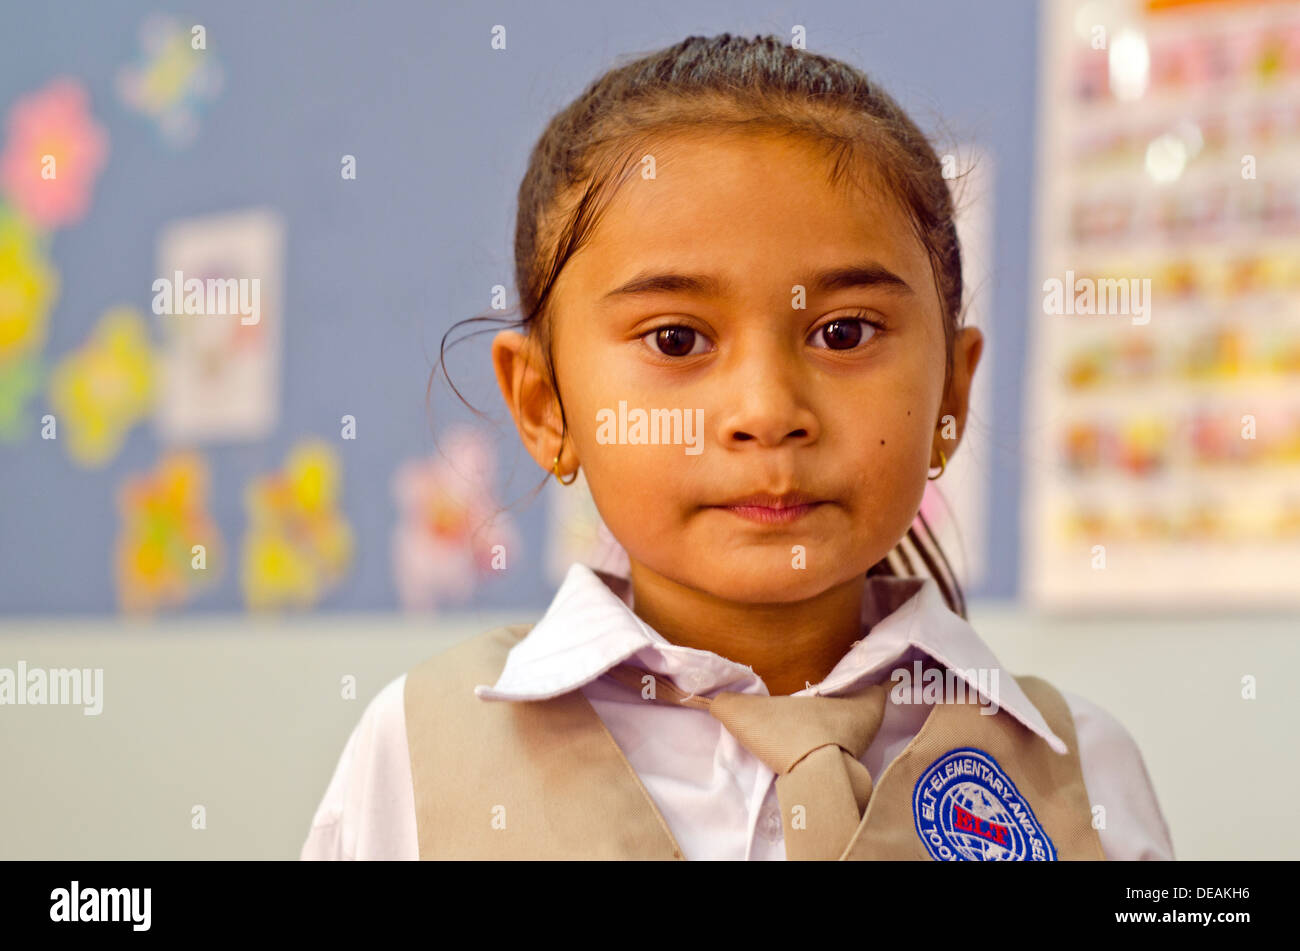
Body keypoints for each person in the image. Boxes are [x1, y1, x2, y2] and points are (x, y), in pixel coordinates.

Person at [301, 33, 1173, 861]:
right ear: (544, 404)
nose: (767, 412)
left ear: (950, 394)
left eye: (844, 331)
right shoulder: (418, 754)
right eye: (677, 340)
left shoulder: (1081, 776)